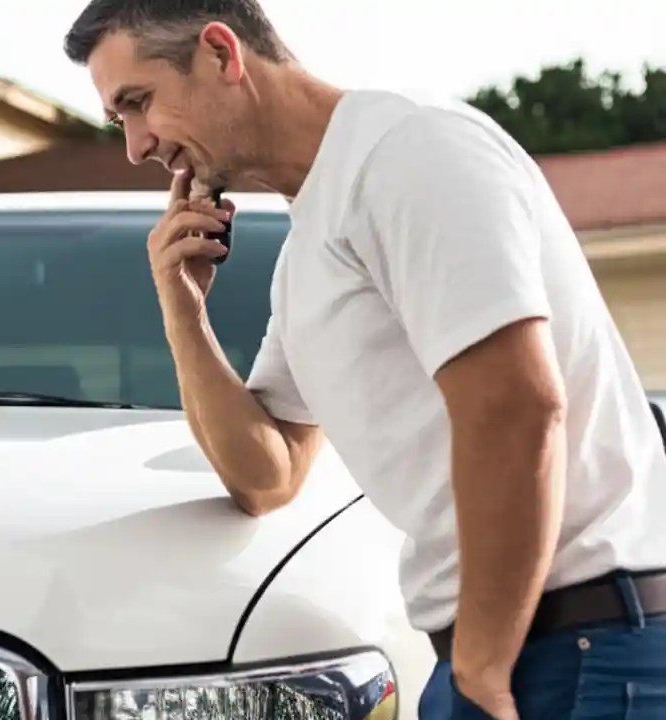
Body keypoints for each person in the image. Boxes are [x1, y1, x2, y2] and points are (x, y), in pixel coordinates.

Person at [62, 2, 666, 719]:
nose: (135, 146)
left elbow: (517, 407)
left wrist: (480, 667)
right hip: (502, 655)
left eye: (138, 103)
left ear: (222, 54)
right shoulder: (308, 250)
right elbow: (268, 473)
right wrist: (183, 313)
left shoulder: (409, 152)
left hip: (577, 646)